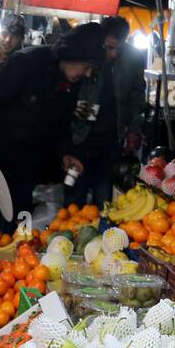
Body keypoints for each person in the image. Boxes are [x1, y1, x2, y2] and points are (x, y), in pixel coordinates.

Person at [0, 22, 104, 255]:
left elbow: (62, 124)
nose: (87, 74)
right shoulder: (28, 62)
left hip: (23, 166)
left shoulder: (71, 82)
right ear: (71, 55)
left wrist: (66, 153)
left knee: (16, 227)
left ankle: (4, 274)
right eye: (86, 66)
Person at [66, 16, 147, 208]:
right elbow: (67, 89)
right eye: (110, 47)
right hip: (80, 138)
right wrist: (73, 108)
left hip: (111, 141)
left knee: (103, 200)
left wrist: (134, 128)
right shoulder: (88, 54)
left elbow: (138, 97)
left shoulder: (133, 59)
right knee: (73, 199)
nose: (114, 54)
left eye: (119, 47)